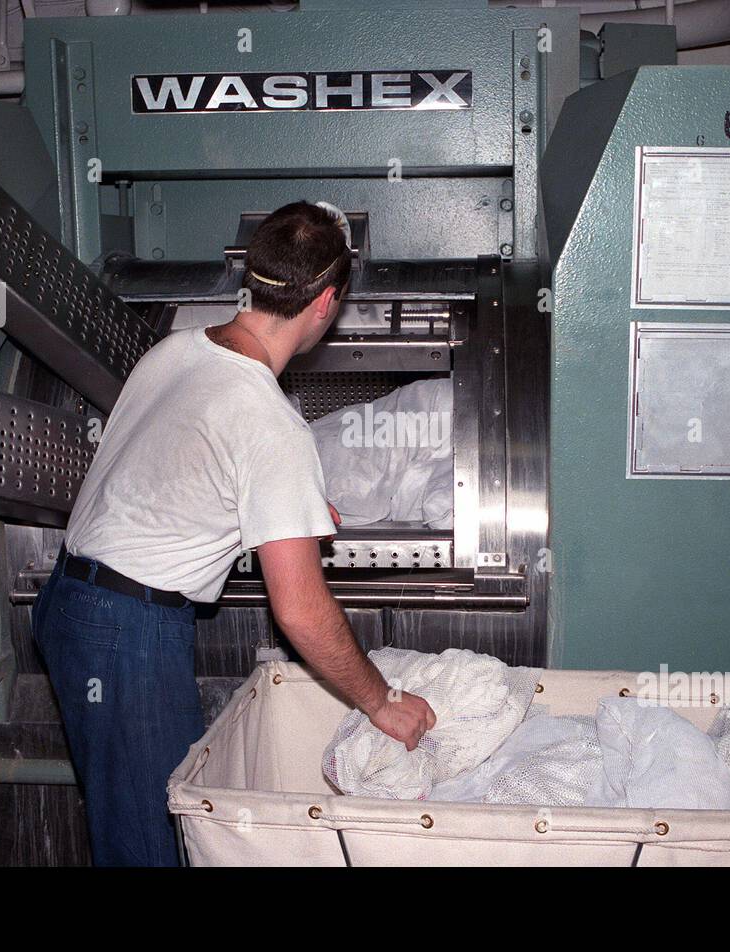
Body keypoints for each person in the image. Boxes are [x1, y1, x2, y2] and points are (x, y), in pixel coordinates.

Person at [32, 201, 437, 866]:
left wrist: (287, 512)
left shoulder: (175, 350)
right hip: (127, 633)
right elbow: (301, 613)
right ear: (327, 301)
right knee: (155, 845)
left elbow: (175, 475)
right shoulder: (269, 423)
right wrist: (381, 701)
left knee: (130, 825)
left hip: (70, 602)